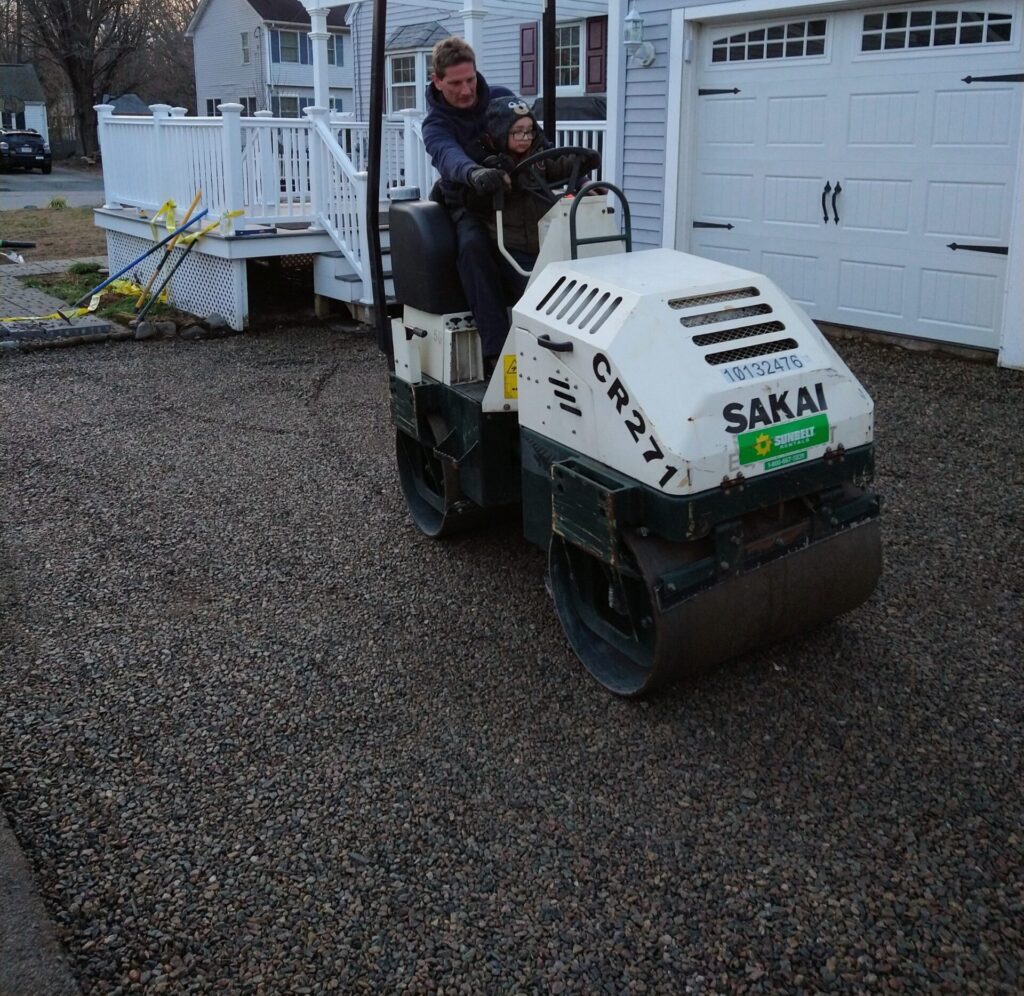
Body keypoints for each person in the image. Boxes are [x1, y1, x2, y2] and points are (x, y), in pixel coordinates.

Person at [421, 37, 520, 367]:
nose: (466, 90)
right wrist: (474, 173)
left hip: (517, 200)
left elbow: (538, 141)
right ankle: (498, 356)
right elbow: (448, 156)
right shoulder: (436, 125)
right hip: (468, 203)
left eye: (470, 79)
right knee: (474, 248)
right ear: (436, 80)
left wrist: (581, 182)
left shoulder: (502, 100)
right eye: (455, 83)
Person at [465, 96, 600, 271]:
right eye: (518, 131)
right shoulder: (488, 164)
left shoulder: (538, 158)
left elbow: (559, 165)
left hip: (544, 240)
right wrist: (497, 181)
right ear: (500, 132)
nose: (525, 137)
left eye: (530, 131)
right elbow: (475, 200)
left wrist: (581, 161)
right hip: (509, 244)